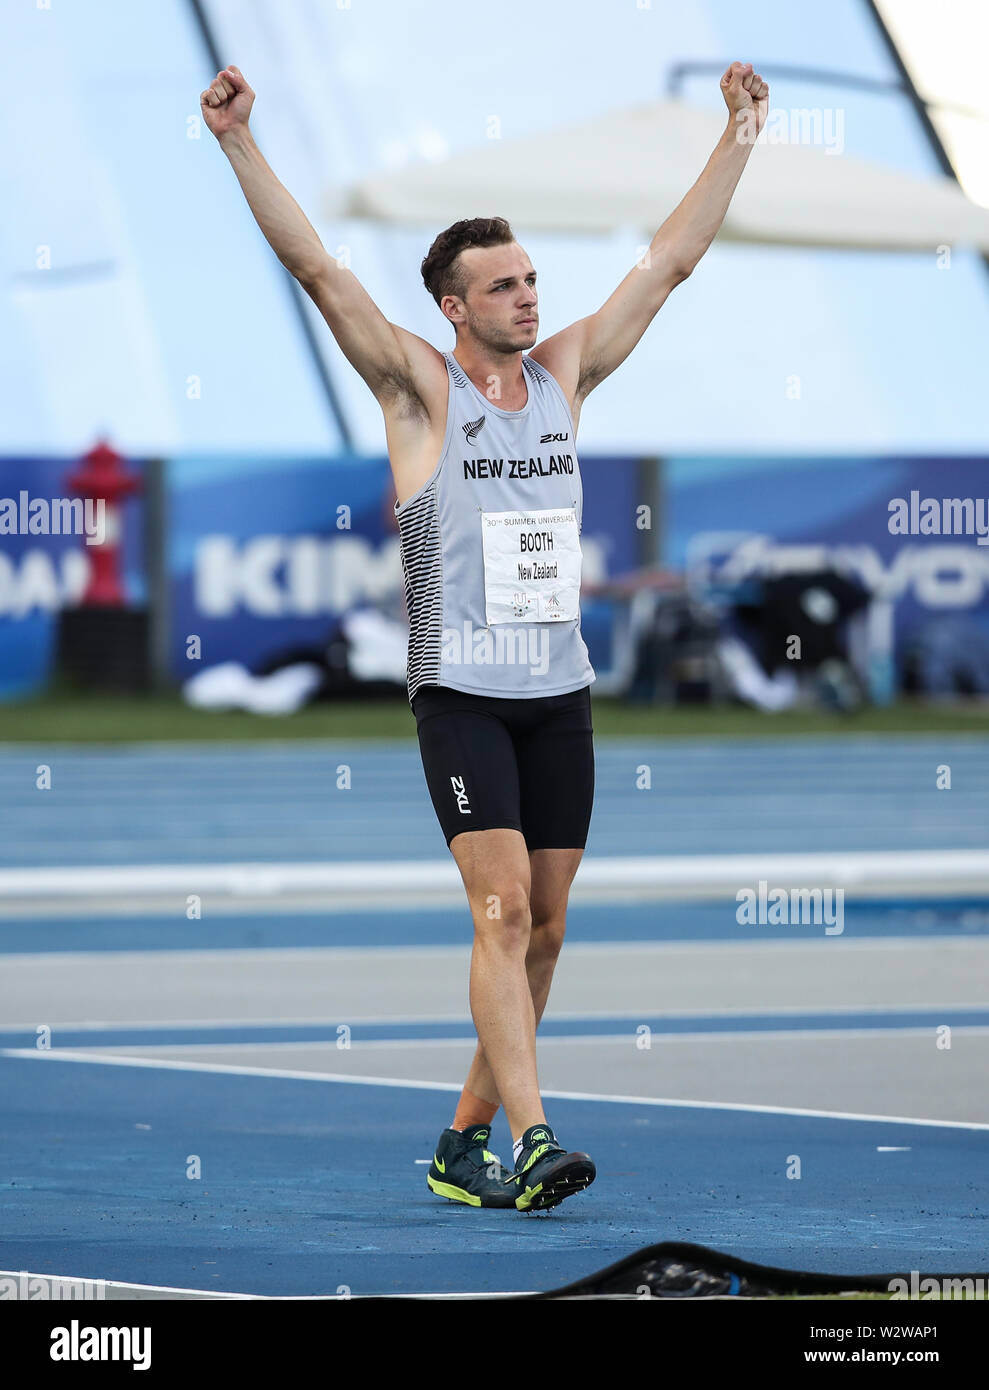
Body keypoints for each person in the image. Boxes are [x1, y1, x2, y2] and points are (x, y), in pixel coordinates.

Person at [201, 59, 769, 1212]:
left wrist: (740, 136)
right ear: (453, 306)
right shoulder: (417, 390)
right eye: (502, 285)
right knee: (499, 909)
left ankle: (459, 1141)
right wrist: (238, 141)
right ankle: (533, 1138)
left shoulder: (564, 374)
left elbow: (667, 262)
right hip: (457, 692)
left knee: (546, 928)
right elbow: (316, 268)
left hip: (557, 692)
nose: (527, 297)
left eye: (530, 279)